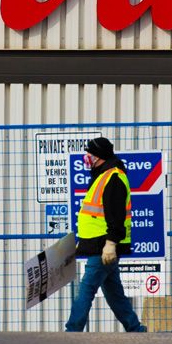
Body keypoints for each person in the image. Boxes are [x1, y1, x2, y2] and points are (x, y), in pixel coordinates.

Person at [65, 137, 146, 333]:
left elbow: (115, 216)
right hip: (96, 244)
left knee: (86, 290)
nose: (86, 158)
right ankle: (135, 328)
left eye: (89, 154)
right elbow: (94, 216)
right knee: (114, 293)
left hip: (103, 246)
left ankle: (72, 330)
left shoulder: (114, 178)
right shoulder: (103, 175)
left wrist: (111, 244)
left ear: (99, 157)